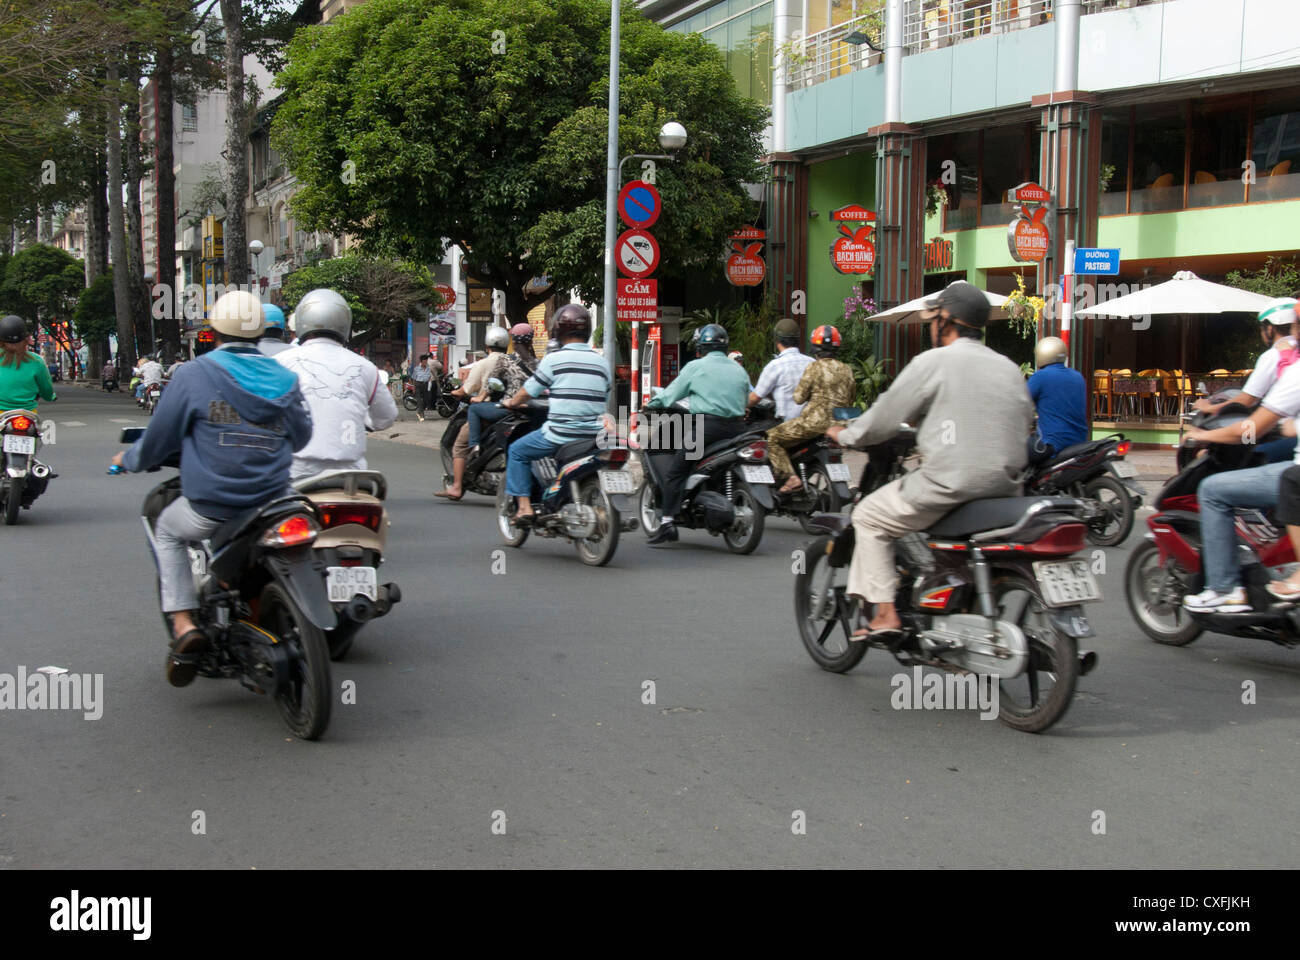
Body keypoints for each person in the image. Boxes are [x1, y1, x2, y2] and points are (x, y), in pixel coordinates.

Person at [109, 291, 312, 686]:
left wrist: (129, 460)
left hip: (212, 505)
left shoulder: (193, 373)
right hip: (275, 502)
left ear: (213, 331)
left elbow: (160, 438)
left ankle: (184, 624)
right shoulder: (285, 377)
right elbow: (302, 436)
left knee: (167, 530)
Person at [826, 280, 1032, 639]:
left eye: (933, 320)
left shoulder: (934, 361)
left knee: (869, 515)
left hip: (951, 483)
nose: (931, 327)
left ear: (947, 321)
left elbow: (885, 416)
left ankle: (886, 613)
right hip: (1004, 489)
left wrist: (846, 435)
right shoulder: (1008, 368)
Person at [1182, 347, 1300, 612]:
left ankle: (1225, 588)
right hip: (1277, 432)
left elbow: (1250, 425)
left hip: (1276, 448)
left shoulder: (1291, 369)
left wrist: (1203, 435)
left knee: (1213, 490)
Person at [642, 322, 752, 543]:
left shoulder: (695, 367)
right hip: (738, 430)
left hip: (706, 428)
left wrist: (649, 406)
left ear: (701, 347)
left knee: (676, 471)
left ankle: (667, 523)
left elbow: (670, 394)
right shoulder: (739, 370)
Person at [498, 305, 609, 524]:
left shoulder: (553, 360)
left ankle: (524, 508)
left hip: (560, 433)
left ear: (558, 330)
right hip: (594, 436)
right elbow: (604, 397)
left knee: (518, 450)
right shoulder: (602, 362)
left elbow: (528, 391)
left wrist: (511, 401)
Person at [274, 288, 397, 479]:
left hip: (296, 472)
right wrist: (366, 422)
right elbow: (387, 416)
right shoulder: (365, 367)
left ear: (301, 321)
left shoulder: (281, 362)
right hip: (350, 475)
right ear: (345, 324)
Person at [435, 323, 537, 500]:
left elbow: (489, 385)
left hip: (503, 409)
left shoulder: (503, 361)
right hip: (530, 412)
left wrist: (479, 398)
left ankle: (458, 483)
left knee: (460, 445)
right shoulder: (538, 363)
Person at [766, 324, 856, 494]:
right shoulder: (847, 369)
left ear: (815, 347)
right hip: (839, 426)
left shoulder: (814, 367)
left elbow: (799, 398)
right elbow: (850, 399)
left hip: (813, 425)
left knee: (772, 438)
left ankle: (791, 478)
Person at [1026, 335, 1088, 465]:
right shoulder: (1078, 377)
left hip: (1052, 443)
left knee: (1015, 453)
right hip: (1080, 441)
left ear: (1041, 354)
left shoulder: (1040, 377)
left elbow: (1021, 402)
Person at [748, 317, 814, 419]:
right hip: (812, 426)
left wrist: (737, 408)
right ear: (798, 339)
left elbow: (755, 397)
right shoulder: (812, 362)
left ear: (777, 340)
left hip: (786, 427)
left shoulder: (774, 366)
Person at [0, 315, 57, 410]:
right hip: (27, 412)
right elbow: (46, 389)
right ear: (26, 339)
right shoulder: (36, 361)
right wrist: (49, 396)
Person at [410, 353, 432, 421]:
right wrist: (413, 387)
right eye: (424, 361)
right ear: (421, 361)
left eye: (426, 361)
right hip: (418, 385)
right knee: (419, 400)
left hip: (425, 385)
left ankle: (419, 412)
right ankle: (421, 414)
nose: (426, 362)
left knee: (426, 399)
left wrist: (428, 383)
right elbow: (413, 378)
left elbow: (429, 377)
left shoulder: (428, 368)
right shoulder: (416, 369)